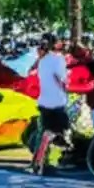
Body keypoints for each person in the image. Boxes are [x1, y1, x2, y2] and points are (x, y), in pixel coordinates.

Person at [31, 33, 70, 175]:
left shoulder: (42, 61)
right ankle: (50, 161)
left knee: (46, 131)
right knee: (61, 130)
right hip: (57, 100)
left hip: (44, 101)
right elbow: (62, 79)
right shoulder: (58, 59)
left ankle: (39, 161)